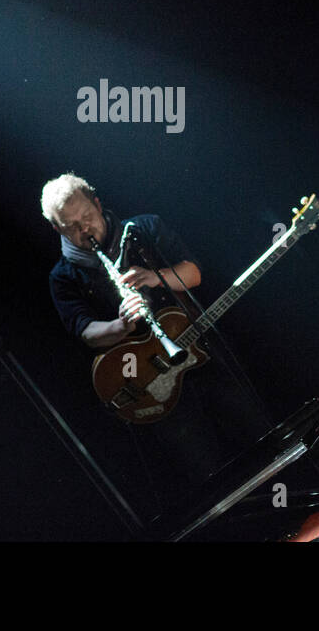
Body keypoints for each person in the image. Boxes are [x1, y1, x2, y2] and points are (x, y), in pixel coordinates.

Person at [40, 173, 266, 504]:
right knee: (208, 472)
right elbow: (85, 331)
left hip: (199, 351)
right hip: (150, 379)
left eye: (86, 217)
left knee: (257, 430)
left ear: (98, 204)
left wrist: (155, 278)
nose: (83, 230)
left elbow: (194, 273)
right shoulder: (63, 277)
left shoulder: (144, 229)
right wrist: (122, 325)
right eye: (71, 226)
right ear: (57, 229)